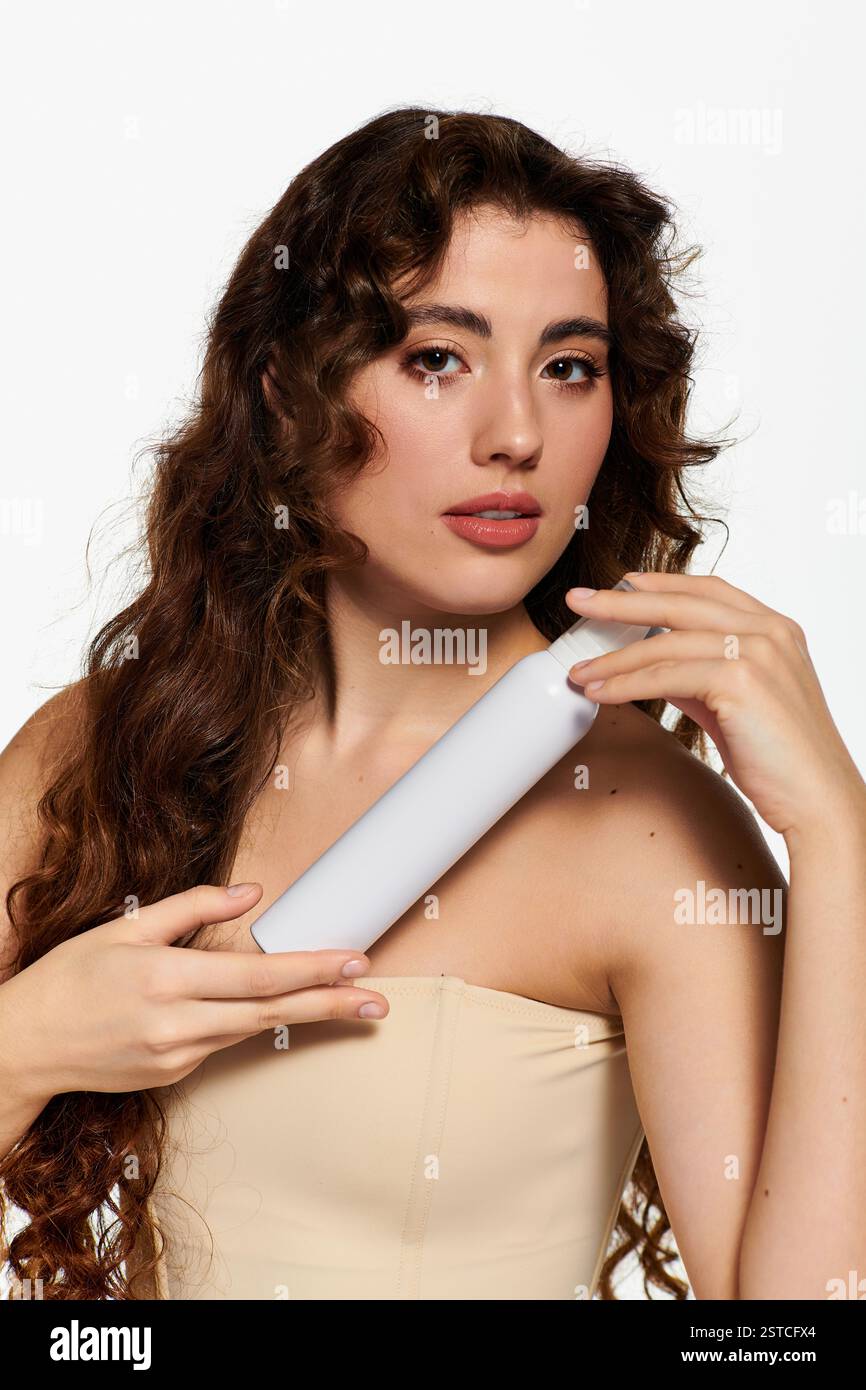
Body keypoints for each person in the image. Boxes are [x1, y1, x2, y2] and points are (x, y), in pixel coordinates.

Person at [1, 107, 864, 1301]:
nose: (515, 434)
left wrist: (837, 838)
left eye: (569, 368)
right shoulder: (99, 755)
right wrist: (29, 1042)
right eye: (437, 359)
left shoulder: (652, 832)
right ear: (284, 388)